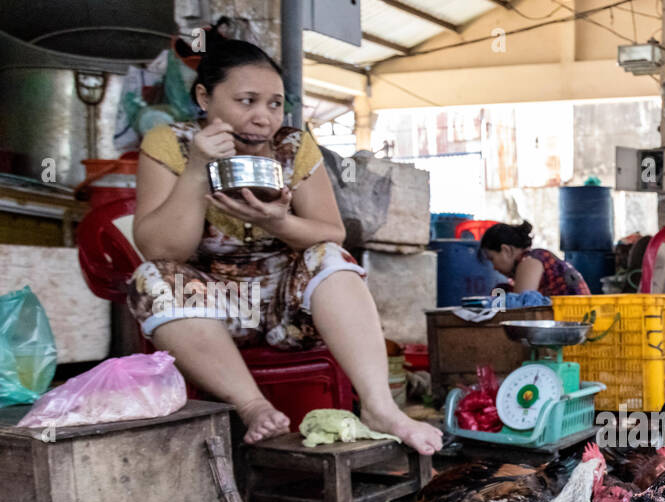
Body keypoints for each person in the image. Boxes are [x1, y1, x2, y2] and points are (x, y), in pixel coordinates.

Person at [129, 31, 442, 453]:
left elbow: (331, 231)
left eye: (275, 103)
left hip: (288, 311)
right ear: (205, 98)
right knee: (152, 279)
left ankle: (380, 406)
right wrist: (196, 169)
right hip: (210, 312)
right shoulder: (171, 143)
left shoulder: (293, 146)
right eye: (247, 101)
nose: (265, 117)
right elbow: (164, 251)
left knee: (331, 257)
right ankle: (252, 405)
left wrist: (279, 222)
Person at [478, 221, 590, 297]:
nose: (494, 267)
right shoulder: (533, 259)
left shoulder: (530, 262)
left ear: (506, 250)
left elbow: (520, 311)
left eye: (492, 258)